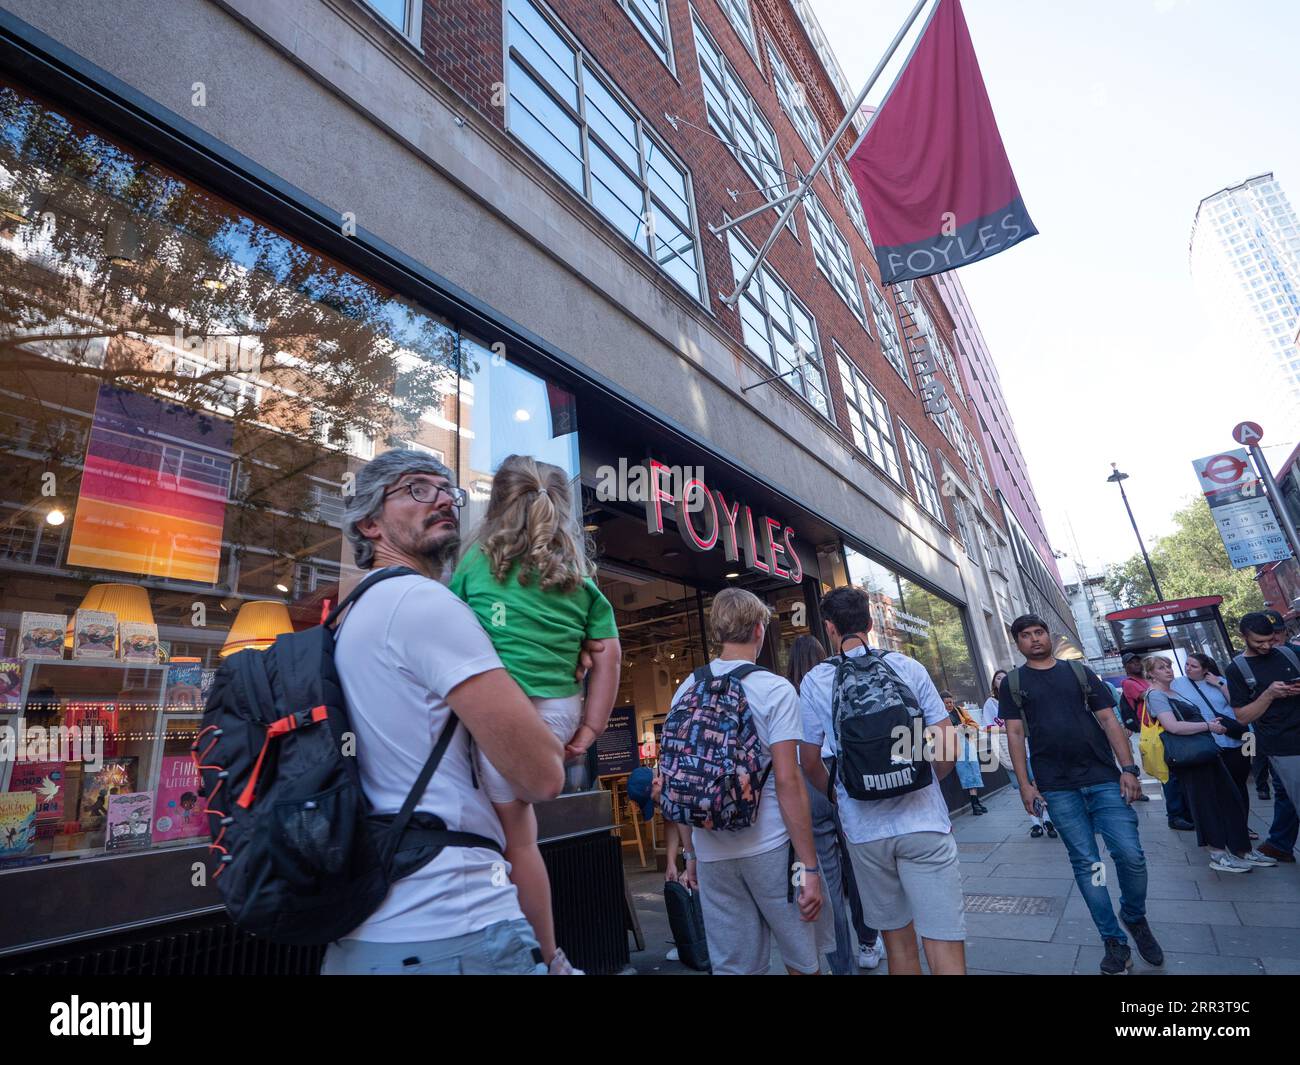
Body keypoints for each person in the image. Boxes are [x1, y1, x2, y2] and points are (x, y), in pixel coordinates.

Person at [326, 449, 569, 975]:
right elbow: (543, 775)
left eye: (448, 491)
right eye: (416, 489)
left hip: (369, 933)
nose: (441, 500)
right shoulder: (424, 605)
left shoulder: (351, 617)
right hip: (454, 926)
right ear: (369, 522)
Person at [449, 454, 622, 975]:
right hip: (558, 716)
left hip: (498, 716)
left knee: (512, 839)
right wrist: (590, 730)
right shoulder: (580, 581)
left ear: (497, 503)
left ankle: (547, 959)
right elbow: (608, 655)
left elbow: (451, 627)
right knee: (522, 831)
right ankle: (549, 957)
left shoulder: (475, 562)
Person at [800, 586, 966, 976]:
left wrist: (841, 796)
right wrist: (925, 780)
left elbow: (808, 760)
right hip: (925, 822)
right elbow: (947, 744)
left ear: (829, 628)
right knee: (943, 941)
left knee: (899, 948)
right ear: (871, 624)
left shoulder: (816, 681)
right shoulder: (907, 666)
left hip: (865, 830)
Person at [664, 588, 823, 975]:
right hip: (771, 847)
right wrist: (810, 868)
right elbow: (788, 781)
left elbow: (682, 778)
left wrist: (692, 855)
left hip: (712, 852)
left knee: (735, 967)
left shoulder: (686, 688)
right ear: (758, 630)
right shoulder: (774, 689)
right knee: (803, 959)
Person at [999, 615, 1164, 975]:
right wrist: (1025, 785)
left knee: (1130, 855)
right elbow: (1014, 735)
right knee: (1090, 865)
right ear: (1018, 643)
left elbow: (1109, 720)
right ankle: (1114, 941)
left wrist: (1128, 768)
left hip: (1104, 778)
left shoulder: (1080, 673)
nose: (1034, 639)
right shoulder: (1012, 683)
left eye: (1039, 632)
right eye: (1025, 635)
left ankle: (1134, 917)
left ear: (1048, 636)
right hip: (1057, 788)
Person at [788, 635, 884, 974]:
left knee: (826, 878)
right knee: (856, 864)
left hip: (807, 780)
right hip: (841, 774)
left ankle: (840, 963)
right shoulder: (836, 677)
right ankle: (869, 942)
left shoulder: (789, 692)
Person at [1144, 656, 1274, 873]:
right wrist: (1207, 726)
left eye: (1168, 666)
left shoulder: (1174, 692)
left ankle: (1242, 849)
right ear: (1151, 674)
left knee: (1229, 797)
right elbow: (1172, 726)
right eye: (1161, 668)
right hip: (1190, 757)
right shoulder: (1155, 695)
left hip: (1206, 751)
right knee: (1205, 804)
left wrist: (1207, 725)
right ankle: (1218, 853)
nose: (1168, 670)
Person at [1226, 612, 1300, 862]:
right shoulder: (1237, 669)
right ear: (1244, 637)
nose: (1267, 646)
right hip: (1282, 746)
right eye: (1259, 642)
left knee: (1285, 796)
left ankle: (1279, 844)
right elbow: (1243, 717)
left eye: (1271, 639)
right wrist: (1268, 694)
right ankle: (1279, 844)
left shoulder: (1289, 653)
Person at [1173, 653, 1252, 834]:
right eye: (1187, 665)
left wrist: (1219, 684)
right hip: (1207, 742)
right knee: (1217, 788)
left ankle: (1243, 826)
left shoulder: (1221, 681)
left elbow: (1239, 704)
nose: (1188, 669)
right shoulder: (1178, 684)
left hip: (1234, 739)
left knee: (1238, 785)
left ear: (1205, 669)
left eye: (1194, 666)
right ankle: (1225, 826)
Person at [986, 670, 1057, 838]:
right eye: (998, 677)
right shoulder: (990, 703)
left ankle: (1047, 819)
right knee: (1022, 786)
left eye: (1004, 677)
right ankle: (1035, 823)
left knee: (1036, 784)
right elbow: (988, 727)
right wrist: (1010, 729)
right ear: (994, 683)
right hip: (1008, 749)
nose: (1001, 680)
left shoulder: (1017, 697)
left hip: (1030, 747)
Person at [1123, 651, 1190, 828]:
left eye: (1138, 660)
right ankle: (1175, 815)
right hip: (1158, 732)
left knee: (1177, 775)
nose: (1136, 664)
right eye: (1132, 662)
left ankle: (1183, 812)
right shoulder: (1130, 683)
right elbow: (1146, 696)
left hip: (1167, 732)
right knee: (1170, 776)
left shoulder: (1151, 684)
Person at [944, 691, 988, 816]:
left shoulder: (960, 711)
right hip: (956, 747)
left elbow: (974, 724)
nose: (949, 705)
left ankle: (976, 802)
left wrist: (965, 728)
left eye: (951, 702)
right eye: (946, 703)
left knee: (974, 771)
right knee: (966, 773)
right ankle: (974, 804)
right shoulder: (941, 716)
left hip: (968, 743)